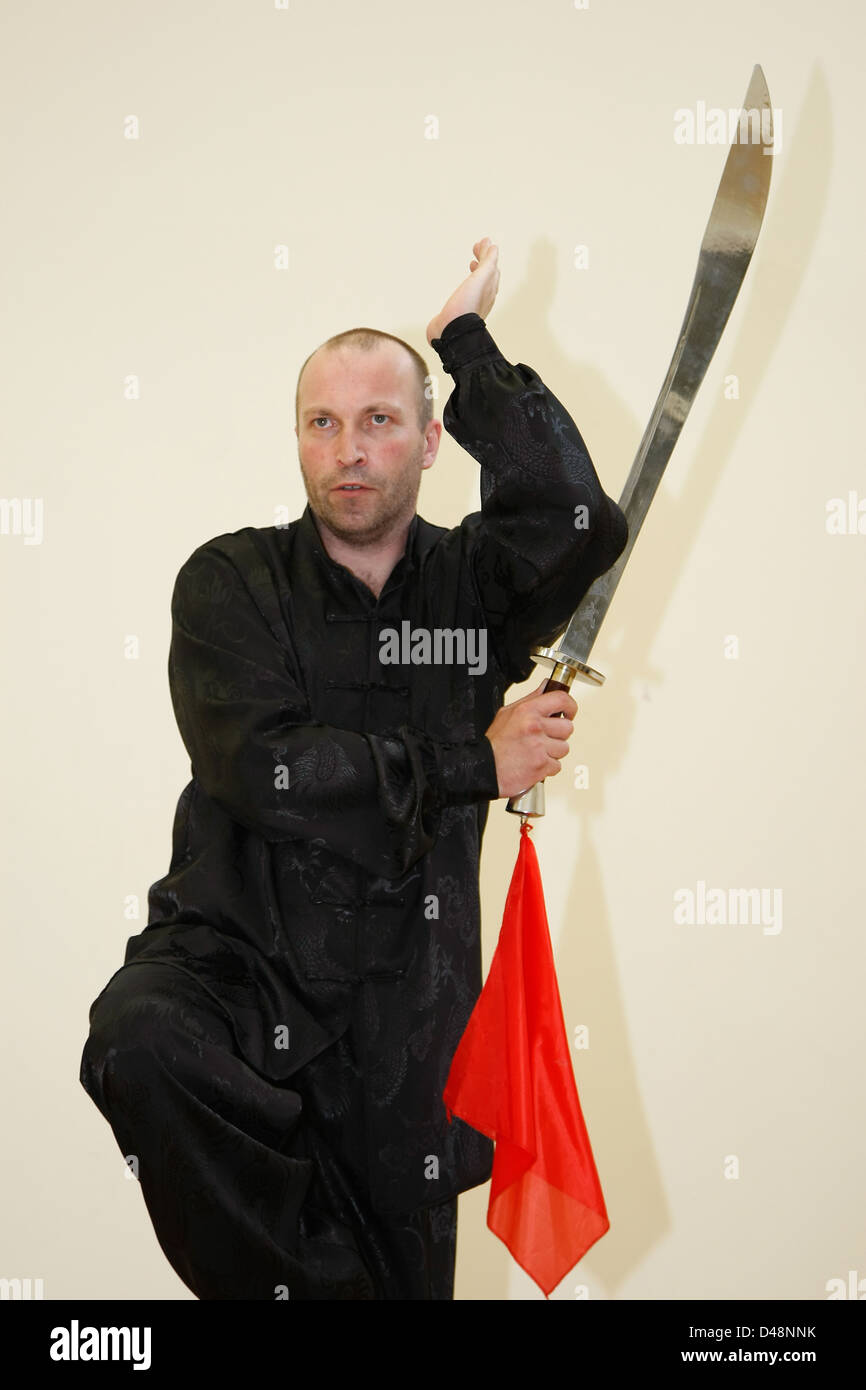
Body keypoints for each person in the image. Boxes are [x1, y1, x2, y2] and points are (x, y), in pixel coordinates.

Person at [79, 238, 628, 1300]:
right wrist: (474, 759)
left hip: (403, 1024)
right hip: (234, 975)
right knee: (139, 1037)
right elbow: (264, 766)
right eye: (321, 423)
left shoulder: (475, 591)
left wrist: (462, 342)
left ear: (429, 441)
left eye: (377, 420)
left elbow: (578, 519)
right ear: (297, 440)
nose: (347, 449)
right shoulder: (230, 581)